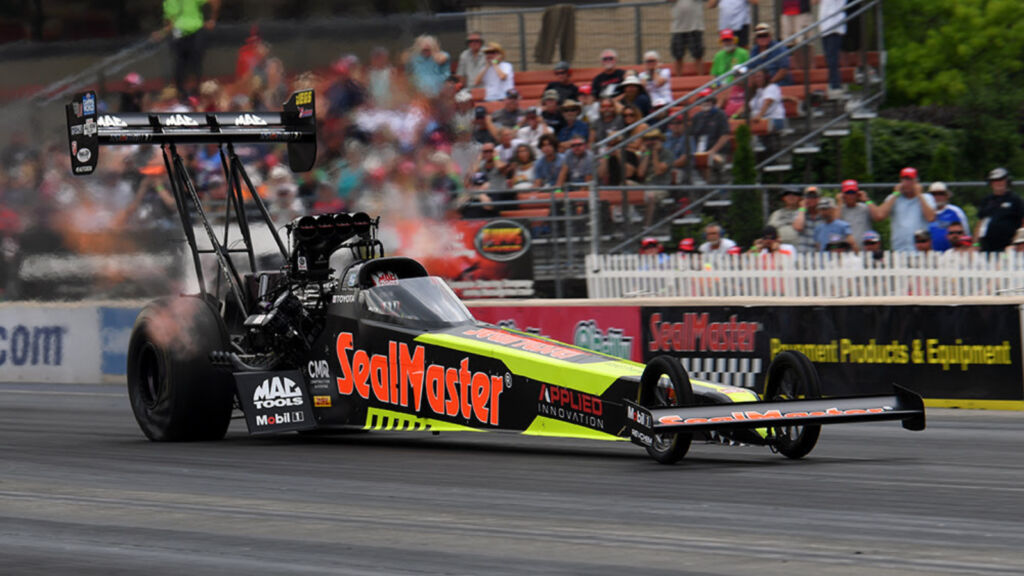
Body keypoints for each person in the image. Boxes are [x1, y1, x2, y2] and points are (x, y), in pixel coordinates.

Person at [153, 0, 220, 98]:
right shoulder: (168, 2)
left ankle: (194, 91)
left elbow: (214, 1)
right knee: (180, 63)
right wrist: (162, 33)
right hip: (179, 33)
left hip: (195, 31)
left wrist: (212, 19)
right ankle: (182, 92)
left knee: (195, 62)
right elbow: (170, 24)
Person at [870, 167, 936, 251]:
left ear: (916, 182)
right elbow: (879, 216)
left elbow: (931, 218)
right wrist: (895, 194)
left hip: (920, 250)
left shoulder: (926, 198)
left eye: (910, 180)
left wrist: (919, 195)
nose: (907, 183)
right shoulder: (893, 198)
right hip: (899, 250)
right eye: (904, 179)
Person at [977, 167, 1024, 253]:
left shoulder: (1015, 199)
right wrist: (976, 244)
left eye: (1001, 180)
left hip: (1007, 247)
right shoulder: (986, 200)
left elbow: (1022, 222)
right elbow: (980, 223)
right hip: (986, 247)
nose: (998, 183)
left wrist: (1017, 242)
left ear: (1007, 181)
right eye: (995, 180)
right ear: (990, 183)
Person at [636, 129, 673, 226]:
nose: (650, 142)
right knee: (625, 184)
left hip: (661, 187)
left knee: (650, 195)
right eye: (647, 139)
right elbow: (640, 174)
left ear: (659, 140)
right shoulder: (646, 153)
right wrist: (647, 154)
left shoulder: (667, 154)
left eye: (653, 139)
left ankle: (647, 225)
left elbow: (658, 171)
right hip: (646, 186)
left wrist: (655, 152)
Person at [689, 87, 732, 170]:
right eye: (703, 100)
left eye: (708, 100)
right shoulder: (697, 117)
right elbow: (692, 135)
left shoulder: (720, 115)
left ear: (712, 101)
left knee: (711, 159)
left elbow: (725, 136)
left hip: (718, 150)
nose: (705, 103)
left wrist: (713, 151)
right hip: (700, 149)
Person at [814, 0, 847, 98]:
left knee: (832, 57)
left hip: (835, 25)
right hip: (825, 26)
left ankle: (835, 84)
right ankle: (833, 82)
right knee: (828, 57)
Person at [926, 181, 969, 252]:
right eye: (934, 194)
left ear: (947, 196)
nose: (937, 197)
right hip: (930, 255)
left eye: (941, 194)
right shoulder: (925, 213)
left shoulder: (956, 211)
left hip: (952, 254)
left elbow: (966, 234)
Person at [670, 0, 706, 76]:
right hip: (678, 28)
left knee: (698, 55)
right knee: (678, 56)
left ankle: (701, 79)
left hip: (695, 27)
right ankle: (678, 81)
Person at [748, 68, 785, 133]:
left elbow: (767, 103)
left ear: (766, 77)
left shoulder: (772, 87)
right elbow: (746, 106)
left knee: (749, 126)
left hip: (774, 118)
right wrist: (736, 115)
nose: (757, 79)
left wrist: (759, 116)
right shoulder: (756, 91)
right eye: (755, 77)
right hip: (759, 119)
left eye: (759, 76)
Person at [839, 179, 872, 249]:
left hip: (865, 251)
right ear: (843, 195)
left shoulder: (865, 207)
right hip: (846, 252)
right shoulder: (840, 209)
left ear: (857, 194)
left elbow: (878, 216)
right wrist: (839, 202)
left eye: (853, 192)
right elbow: (834, 223)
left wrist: (867, 200)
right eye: (848, 192)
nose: (851, 195)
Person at [793, 185, 823, 253]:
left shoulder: (824, 213)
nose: (811, 199)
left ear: (819, 198)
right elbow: (798, 227)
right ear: (804, 199)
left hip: (821, 254)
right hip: (803, 254)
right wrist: (802, 208)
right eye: (809, 197)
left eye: (814, 197)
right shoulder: (800, 212)